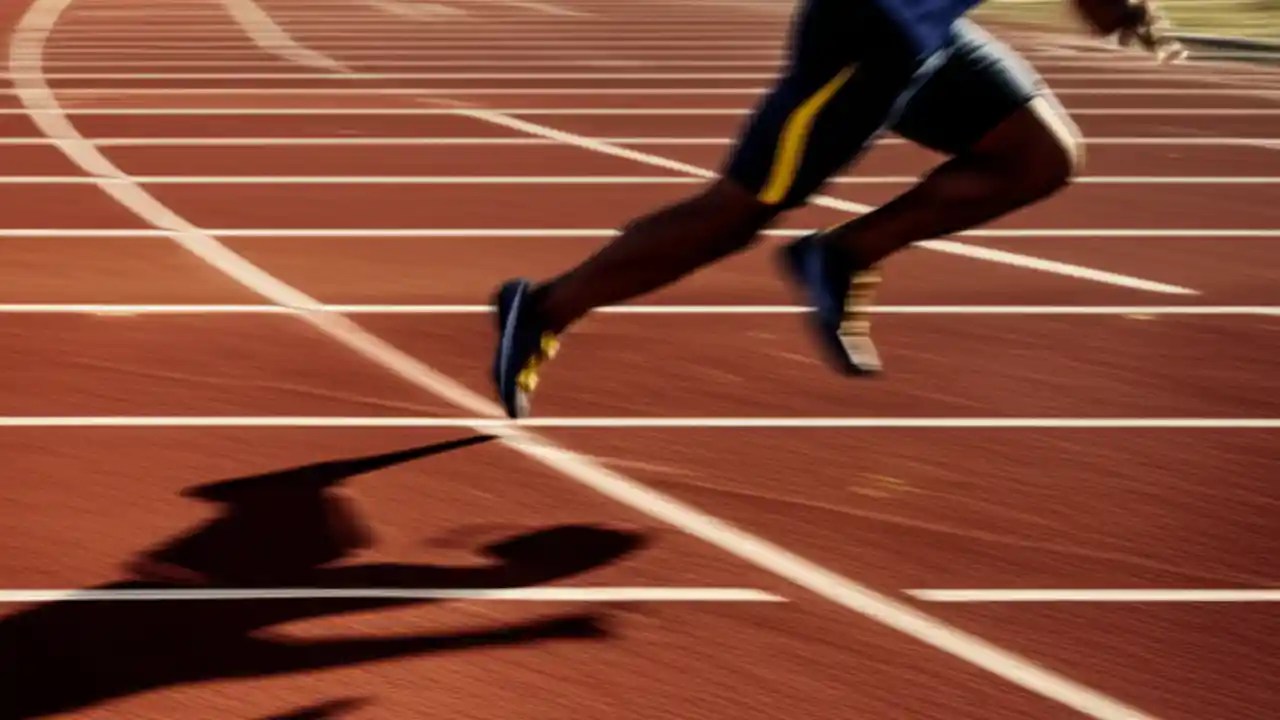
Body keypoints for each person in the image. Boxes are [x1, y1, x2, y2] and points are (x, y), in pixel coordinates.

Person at [489, 0, 1180, 418]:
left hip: (928, 35)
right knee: (739, 211)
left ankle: (842, 255)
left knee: (1039, 155)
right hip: (867, 35)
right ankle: (546, 307)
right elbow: (1100, 9)